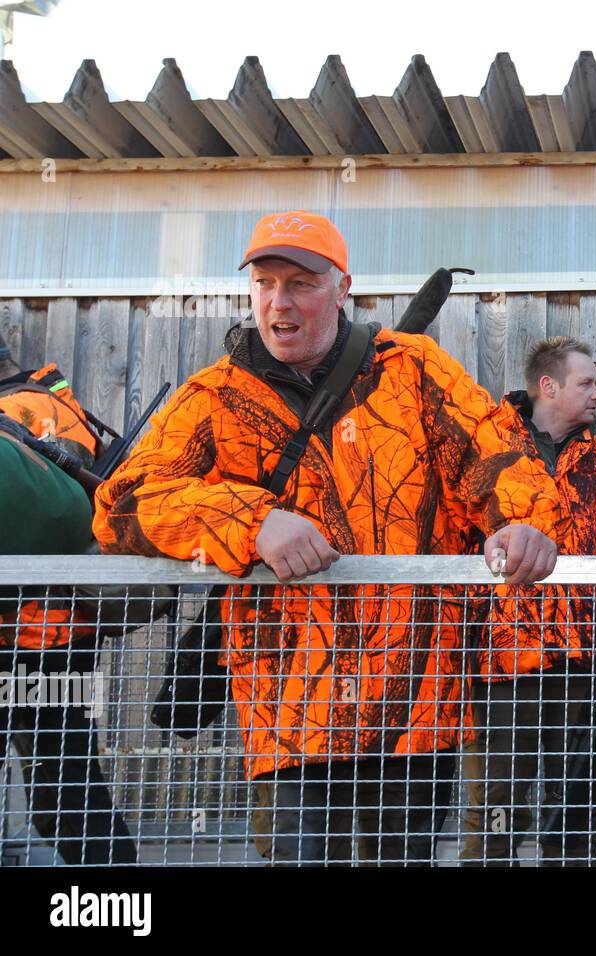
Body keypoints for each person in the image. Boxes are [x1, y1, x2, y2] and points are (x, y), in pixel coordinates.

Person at [94, 210, 568, 865]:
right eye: (264, 283)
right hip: (287, 708)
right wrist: (251, 522)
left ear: (343, 288)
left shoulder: (414, 370)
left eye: (301, 283)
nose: (278, 302)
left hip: (413, 707)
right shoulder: (215, 399)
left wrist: (525, 519)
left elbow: (501, 454)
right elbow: (121, 505)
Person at [460, 336, 596, 865]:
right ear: (547, 387)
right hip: (502, 664)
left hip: (586, 665)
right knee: (495, 808)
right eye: (587, 383)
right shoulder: (487, 455)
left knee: (575, 807)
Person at [0, 333, 138, 865]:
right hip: (58, 636)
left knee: (65, 795)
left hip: (33, 633)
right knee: (65, 791)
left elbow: (53, 520)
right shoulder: (54, 404)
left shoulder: (21, 411)